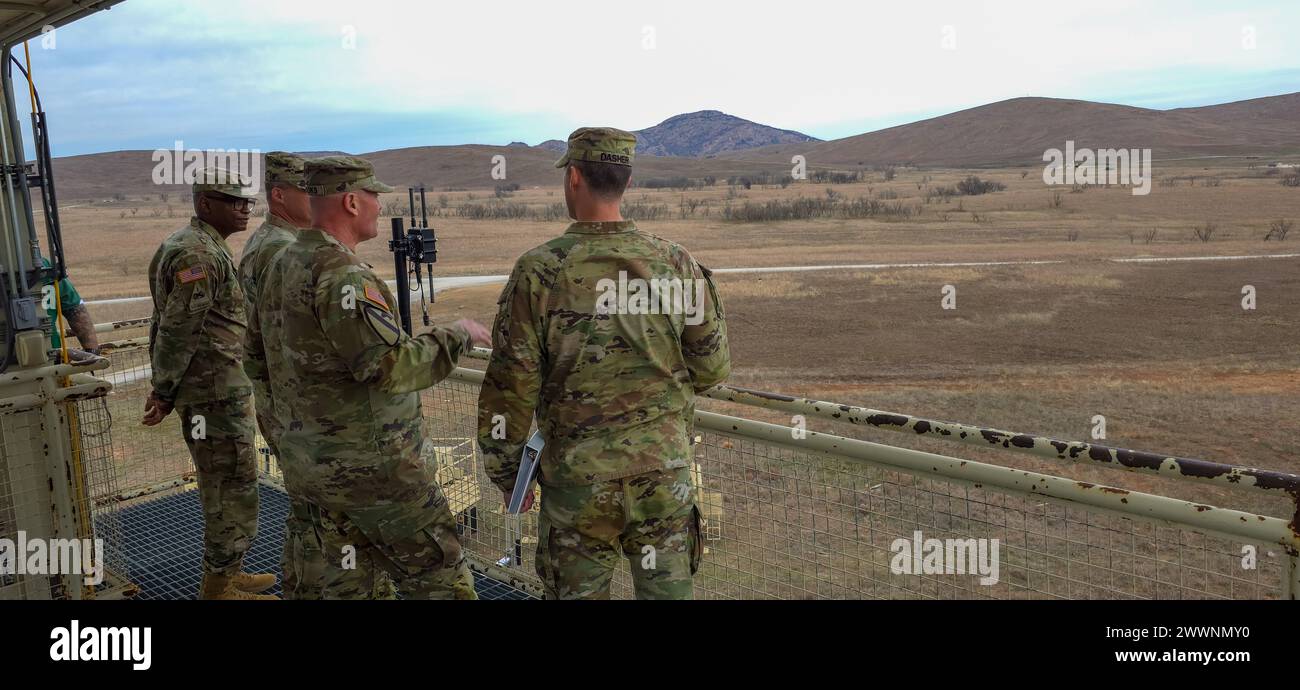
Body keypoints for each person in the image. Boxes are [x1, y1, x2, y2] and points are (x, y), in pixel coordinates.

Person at [476, 127, 730, 599]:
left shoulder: (541, 270)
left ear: (573, 178)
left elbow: (511, 386)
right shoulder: (676, 263)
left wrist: (509, 473)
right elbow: (712, 369)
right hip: (662, 479)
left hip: (578, 486)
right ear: (627, 182)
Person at [258, 155, 490, 599]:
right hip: (377, 477)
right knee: (440, 577)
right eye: (373, 196)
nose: (379, 207)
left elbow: (256, 359)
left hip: (313, 471)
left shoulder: (281, 265)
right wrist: (455, 336)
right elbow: (391, 366)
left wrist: (290, 441)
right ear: (350, 202)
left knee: (340, 586)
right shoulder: (342, 276)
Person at [143, 166, 276, 600]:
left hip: (217, 390)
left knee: (230, 482)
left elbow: (167, 321)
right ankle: (219, 588)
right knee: (229, 487)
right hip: (214, 394)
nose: (244, 210)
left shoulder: (199, 247)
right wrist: (163, 391)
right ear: (205, 204)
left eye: (247, 202)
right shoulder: (197, 255)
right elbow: (179, 329)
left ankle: (228, 572)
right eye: (234, 201)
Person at [238, 151, 341, 600]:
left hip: (281, 403)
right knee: (325, 517)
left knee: (305, 511)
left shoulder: (267, 243)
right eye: (307, 191)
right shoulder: (281, 249)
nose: (316, 200)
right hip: (297, 408)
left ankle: (300, 589)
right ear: (279, 195)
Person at [36, 256, 99, 356]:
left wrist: (92, 352)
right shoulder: (44, 266)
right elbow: (75, 311)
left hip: (50, 354)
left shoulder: (45, 266)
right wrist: (92, 352)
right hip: (51, 354)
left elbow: (74, 309)